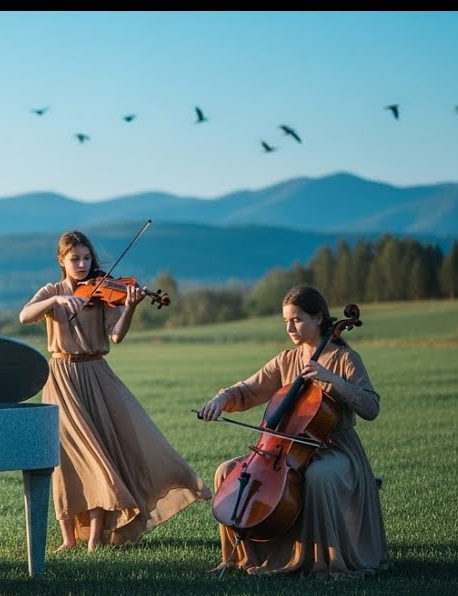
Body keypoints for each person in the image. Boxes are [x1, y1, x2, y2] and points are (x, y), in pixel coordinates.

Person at [19, 229, 210, 552]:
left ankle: (95, 538)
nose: (82, 264)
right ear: (61, 261)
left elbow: (117, 336)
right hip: (61, 377)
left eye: (86, 257)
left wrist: (131, 307)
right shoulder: (52, 291)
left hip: (95, 372)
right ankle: (68, 539)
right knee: (63, 458)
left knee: (99, 453)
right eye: (75, 258)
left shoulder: (102, 291)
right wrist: (55, 300)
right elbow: (25, 316)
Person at [197, 285, 388, 577]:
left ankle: (322, 561)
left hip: (334, 448)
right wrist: (221, 399)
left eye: (297, 319)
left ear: (319, 319)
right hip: (286, 451)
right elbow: (249, 389)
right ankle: (243, 557)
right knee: (227, 471)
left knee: (318, 475)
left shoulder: (346, 360)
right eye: (286, 320)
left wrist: (330, 379)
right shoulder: (287, 360)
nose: (290, 327)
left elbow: (371, 407)